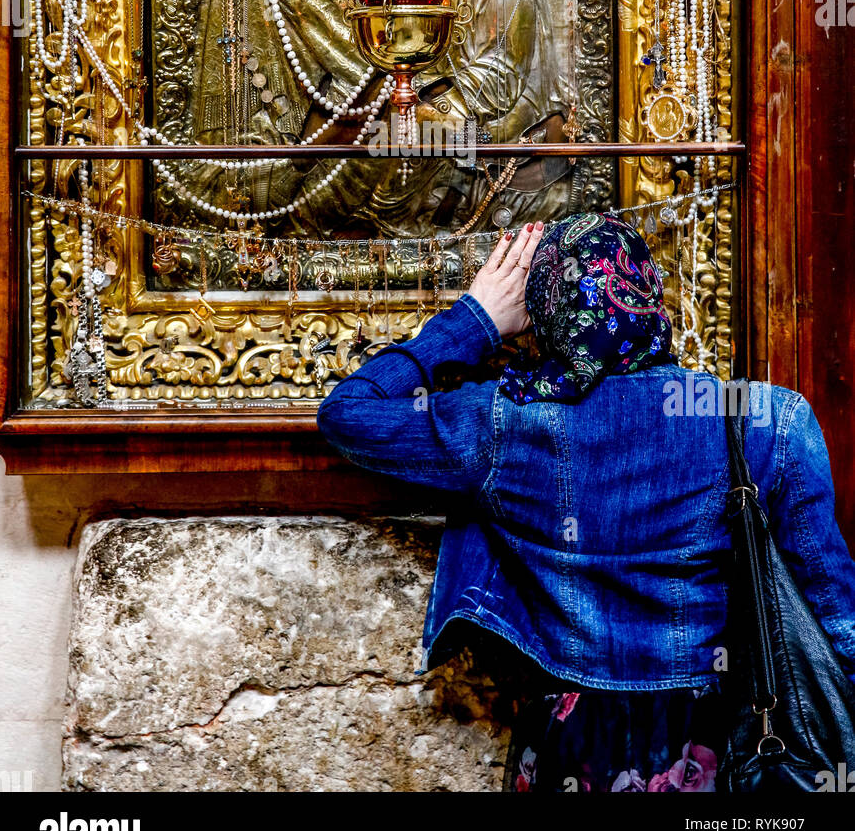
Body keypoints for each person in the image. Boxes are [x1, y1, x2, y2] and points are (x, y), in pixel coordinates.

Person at [317, 213, 855, 793]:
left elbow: (349, 413)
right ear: (649, 295)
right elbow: (836, 616)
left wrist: (476, 322)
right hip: (717, 741)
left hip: (570, 744)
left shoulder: (507, 424)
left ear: (548, 319)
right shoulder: (768, 420)